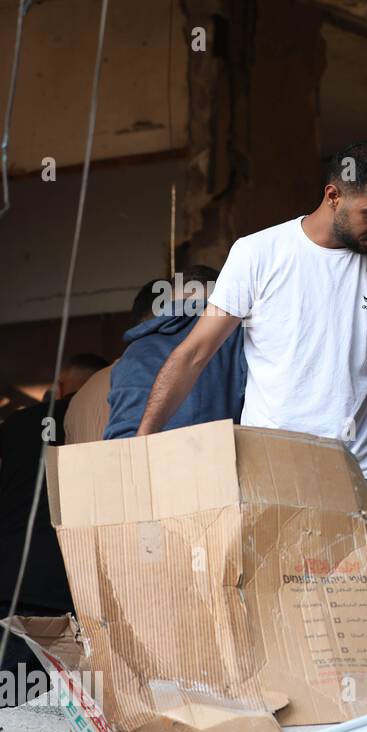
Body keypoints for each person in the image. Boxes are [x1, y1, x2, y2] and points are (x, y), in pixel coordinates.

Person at [134, 140, 367, 541]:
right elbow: (194, 353)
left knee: (356, 604)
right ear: (333, 196)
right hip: (272, 473)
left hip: (358, 476)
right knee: (275, 601)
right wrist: (142, 443)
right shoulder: (258, 254)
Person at [0, 355, 105, 682]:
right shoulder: (114, 426)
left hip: (10, 601)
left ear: (58, 389)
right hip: (81, 615)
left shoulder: (17, 425)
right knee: (68, 724)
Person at [104, 266, 246, 439]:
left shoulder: (133, 353)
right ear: (221, 299)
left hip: (149, 461)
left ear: (167, 301)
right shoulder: (242, 340)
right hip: (229, 460)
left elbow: (121, 441)